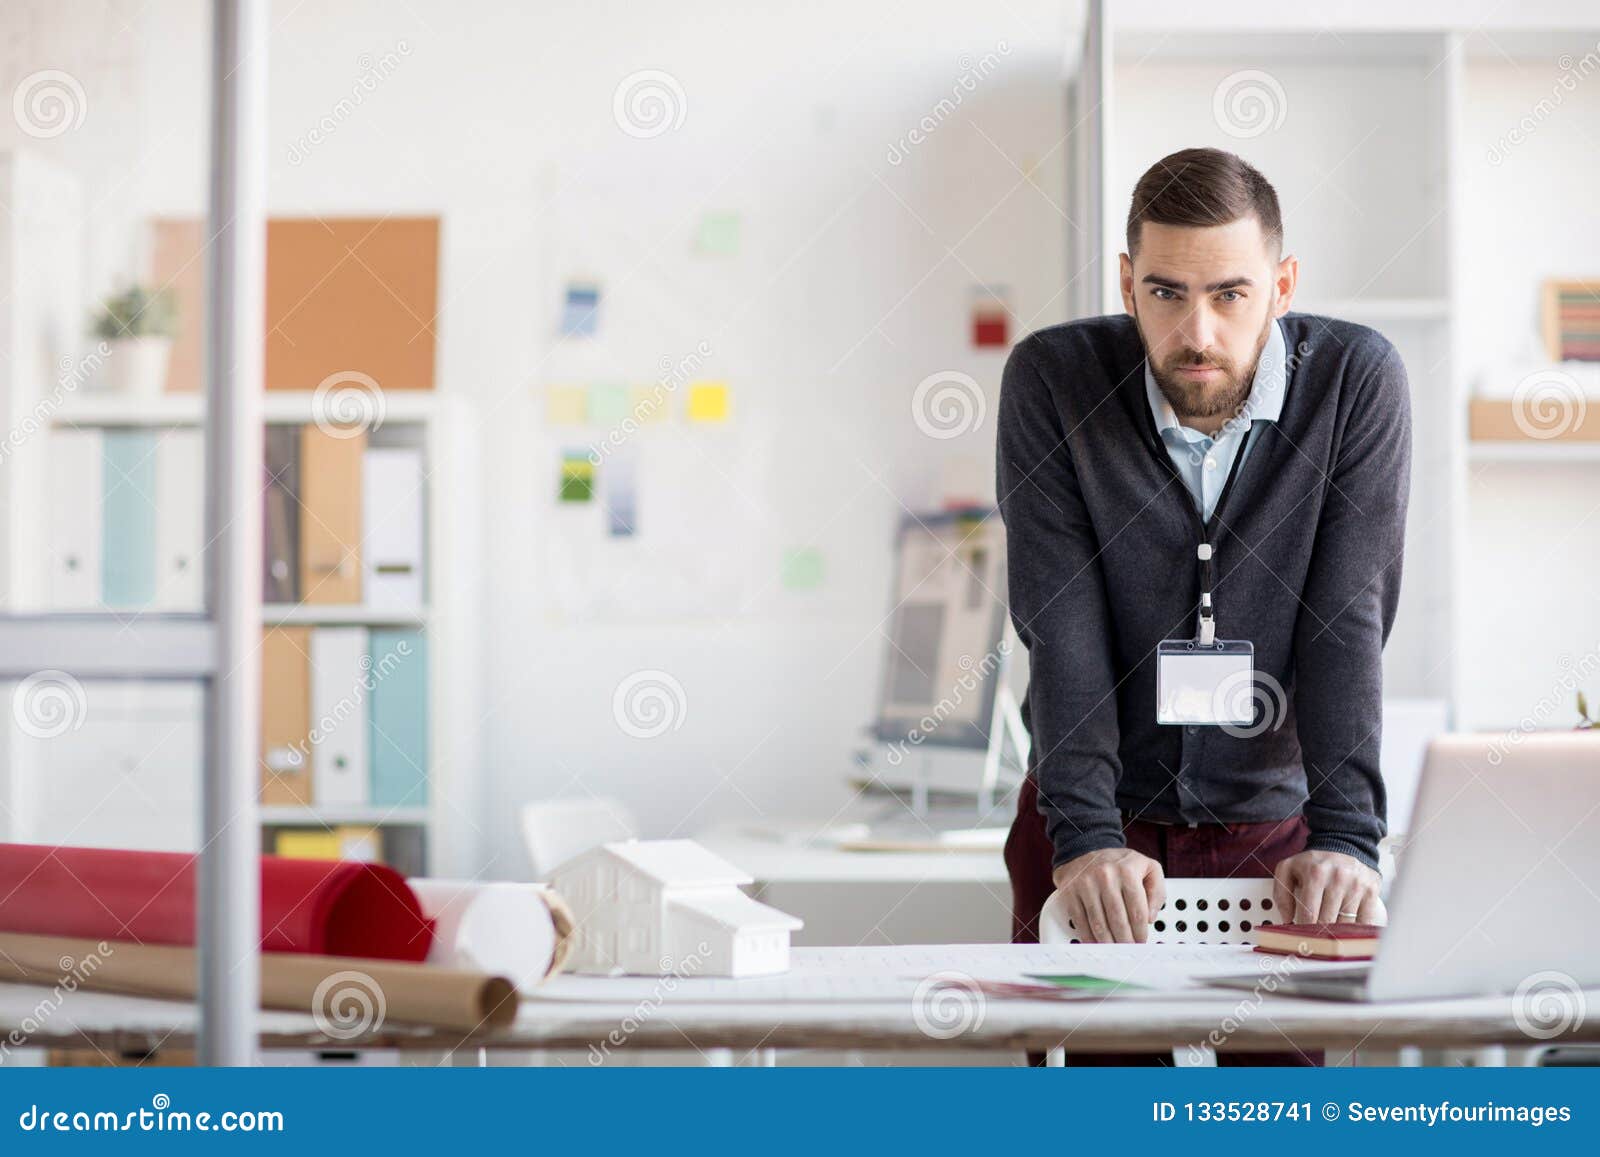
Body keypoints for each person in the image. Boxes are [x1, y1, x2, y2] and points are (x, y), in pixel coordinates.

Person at [996, 147, 1412, 1066]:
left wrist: (1348, 835)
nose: (1198, 333)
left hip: (1275, 830)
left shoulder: (1355, 383)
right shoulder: (1053, 380)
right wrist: (1088, 837)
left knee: (1274, 1112)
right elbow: (1060, 627)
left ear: (1282, 284)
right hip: (1095, 827)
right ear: (1125, 282)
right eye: (1165, 292)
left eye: (1230, 294)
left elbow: (1348, 622)